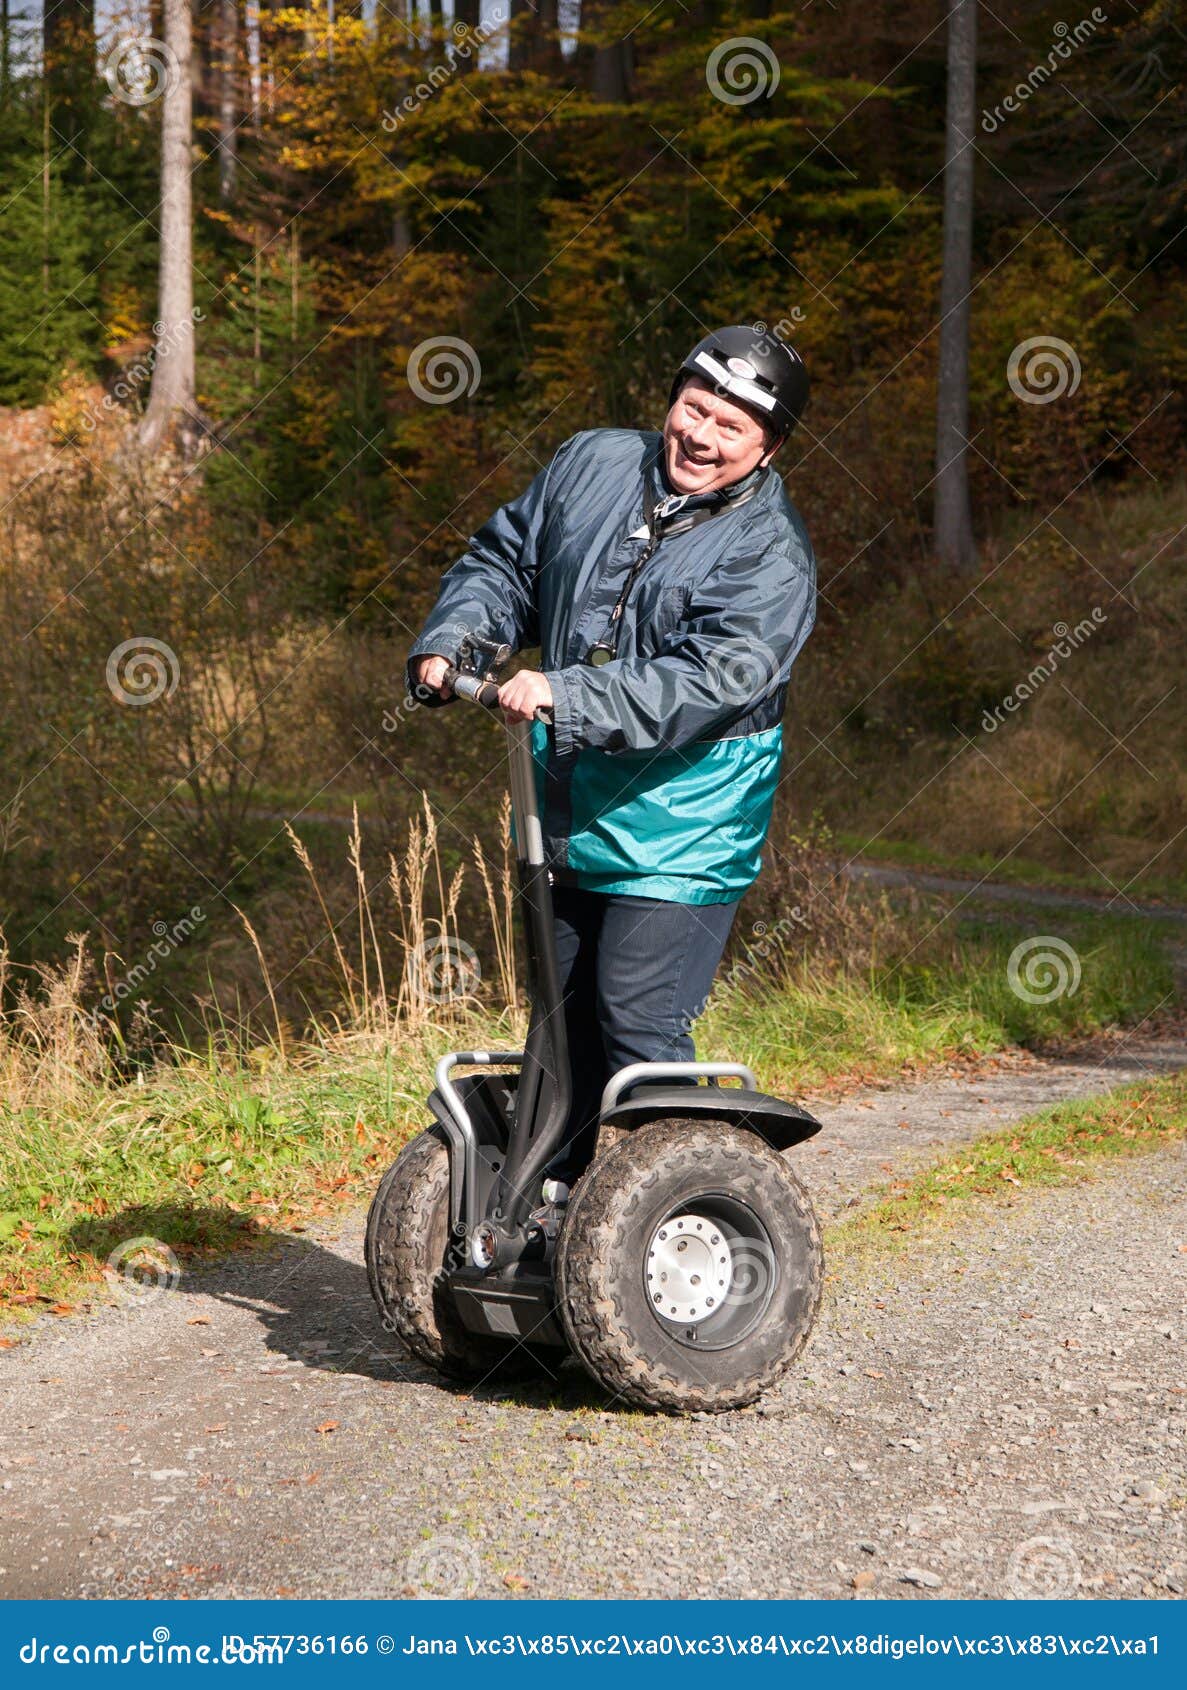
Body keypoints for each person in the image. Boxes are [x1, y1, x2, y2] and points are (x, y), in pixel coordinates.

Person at [409, 325, 816, 1206]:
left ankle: (687, 1229)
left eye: (731, 427)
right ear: (671, 398)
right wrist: (455, 641)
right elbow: (505, 561)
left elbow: (716, 677)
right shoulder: (592, 463)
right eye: (694, 407)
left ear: (768, 448)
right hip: (567, 805)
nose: (701, 436)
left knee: (634, 1018)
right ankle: (557, 1219)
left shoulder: (771, 556)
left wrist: (568, 694)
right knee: (558, 1029)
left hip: (685, 823)